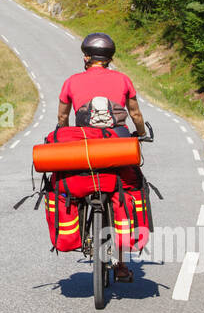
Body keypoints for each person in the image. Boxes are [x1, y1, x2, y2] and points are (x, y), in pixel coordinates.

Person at [55, 32, 144, 282]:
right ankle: (122, 263)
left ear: (86, 57)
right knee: (128, 188)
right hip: (117, 147)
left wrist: (64, 134)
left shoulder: (71, 81)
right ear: (109, 59)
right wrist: (141, 133)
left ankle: (82, 229)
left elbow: (62, 118)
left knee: (73, 182)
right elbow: (135, 114)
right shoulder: (123, 79)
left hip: (83, 146)